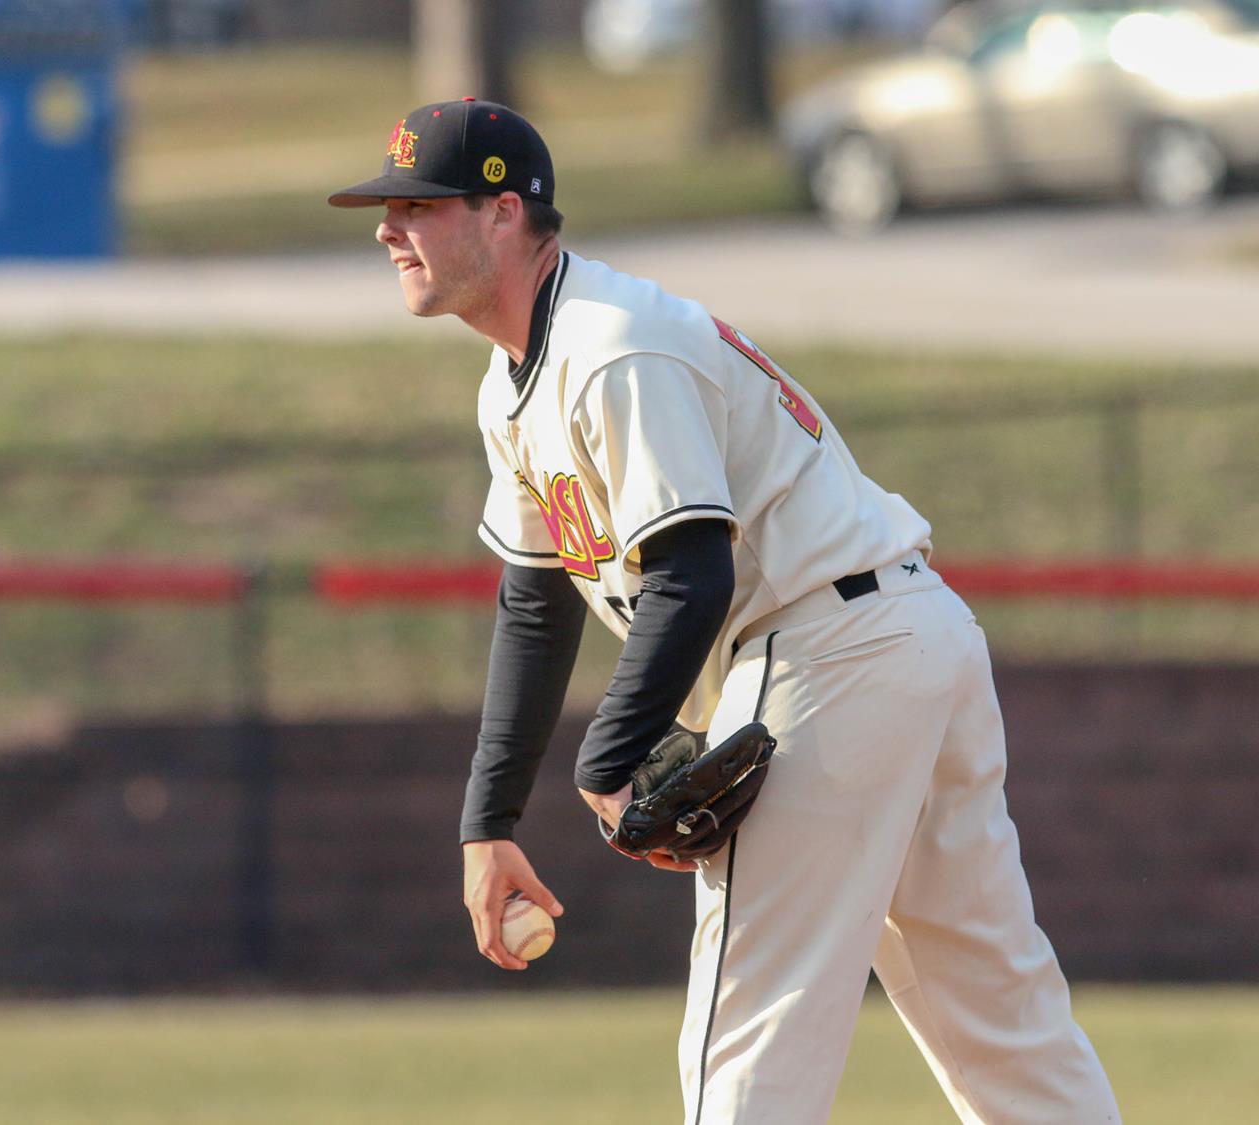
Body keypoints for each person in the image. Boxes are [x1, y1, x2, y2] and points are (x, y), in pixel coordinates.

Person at [329, 99, 1120, 1124]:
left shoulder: (613, 346)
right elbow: (536, 602)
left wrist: (607, 762)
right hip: (896, 635)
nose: (389, 230)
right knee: (995, 1013)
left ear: (503, 213)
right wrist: (489, 822)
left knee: (750, 1027)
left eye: (419, 205)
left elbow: (691, 571)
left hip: (827, 650)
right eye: (388, 209)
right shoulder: (519, 377)